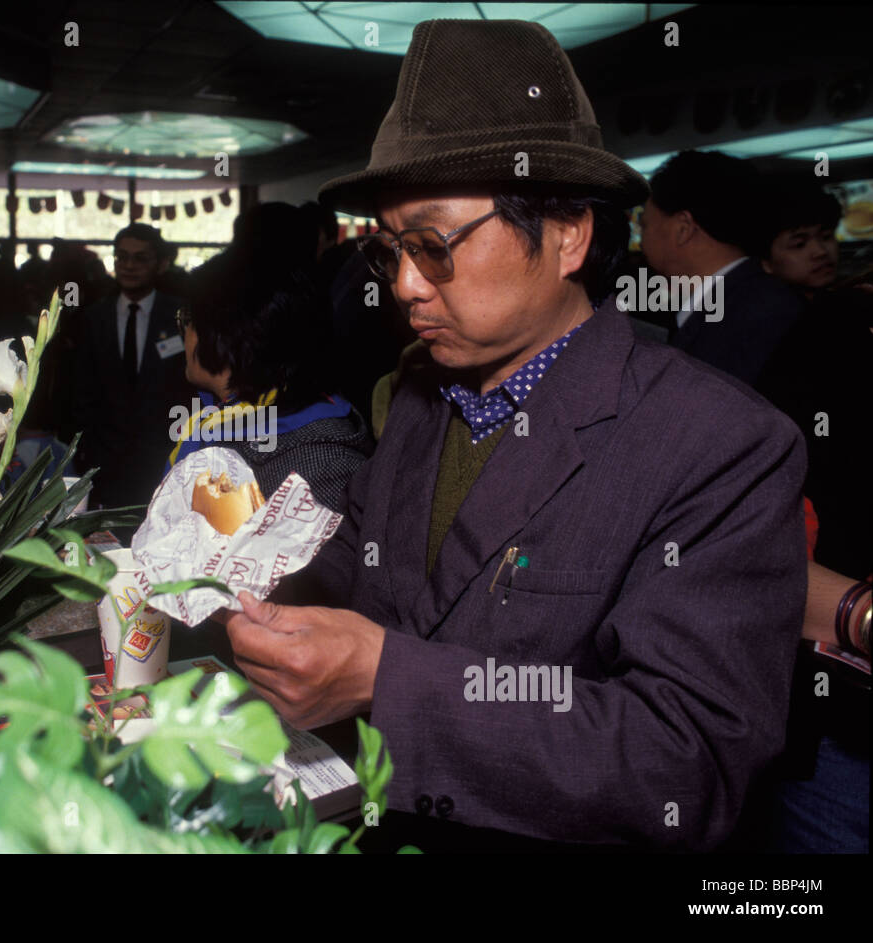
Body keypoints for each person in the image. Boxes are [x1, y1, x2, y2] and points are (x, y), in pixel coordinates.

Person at [224, 19, 807, 851]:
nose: (404, 286)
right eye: (390, 251)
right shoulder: (423, 394)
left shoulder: (722, 445)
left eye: (432, 246)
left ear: (568, 233)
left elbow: (688, 764)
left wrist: (388, 681)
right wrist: (228, 574)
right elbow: (358, 558)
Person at [752, 178, 871, 853]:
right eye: (799, 243)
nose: (820, 252)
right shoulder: (801, 337)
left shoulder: (840, 318)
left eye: (825, 238)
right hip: (828, 687)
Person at [169, 252, 373, 513]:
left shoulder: (318, 467)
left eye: (187, 320)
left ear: (225, 338)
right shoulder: (217, 418)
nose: (183, 332)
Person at [640, 150, 803, 387]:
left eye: (645, 225)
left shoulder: (750, 319)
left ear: (683, 228)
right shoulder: (762, 301)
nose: (642, 239)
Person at [70, 224, 194, 521]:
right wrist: (85, 449)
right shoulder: (91, 317)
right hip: (104, 462)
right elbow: (78, 391)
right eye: (122, 257)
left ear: (161, 264)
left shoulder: (181, 315)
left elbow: (189, 389)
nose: (129, 266)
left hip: (165, 458)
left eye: (141, 258)